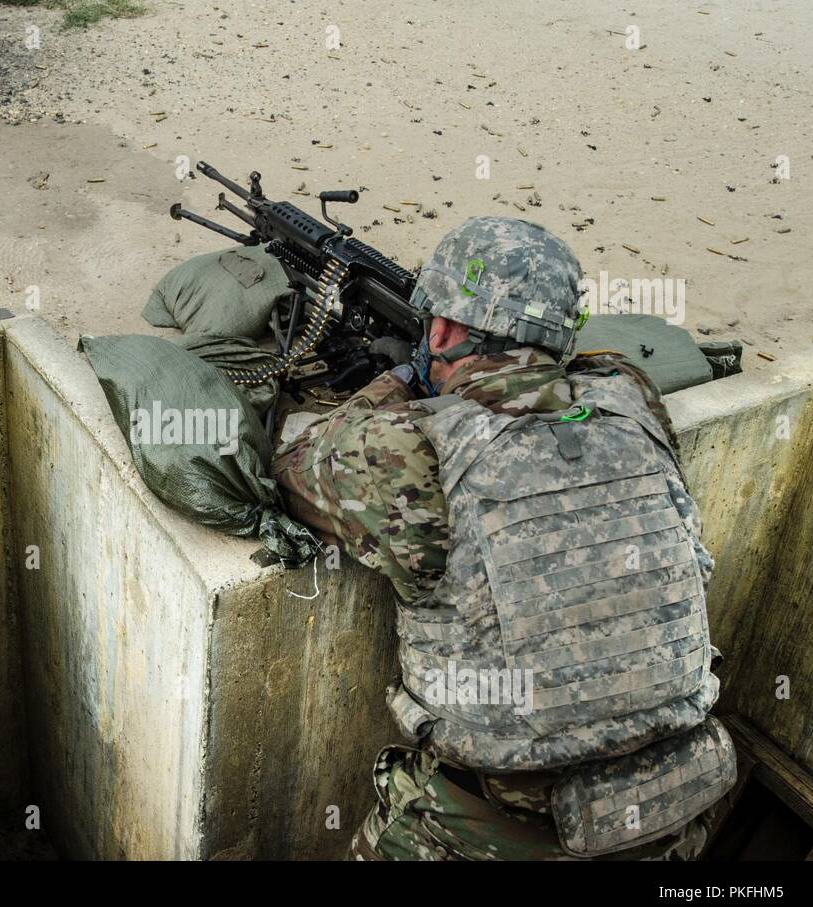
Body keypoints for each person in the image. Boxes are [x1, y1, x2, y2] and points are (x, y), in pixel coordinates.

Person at [273, 216, 735, 860]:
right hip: (674, 813)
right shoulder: (633, 403)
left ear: (442, 330)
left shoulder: (414, 445)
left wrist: (401, 381)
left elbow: (297, 464)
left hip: (501, 827)